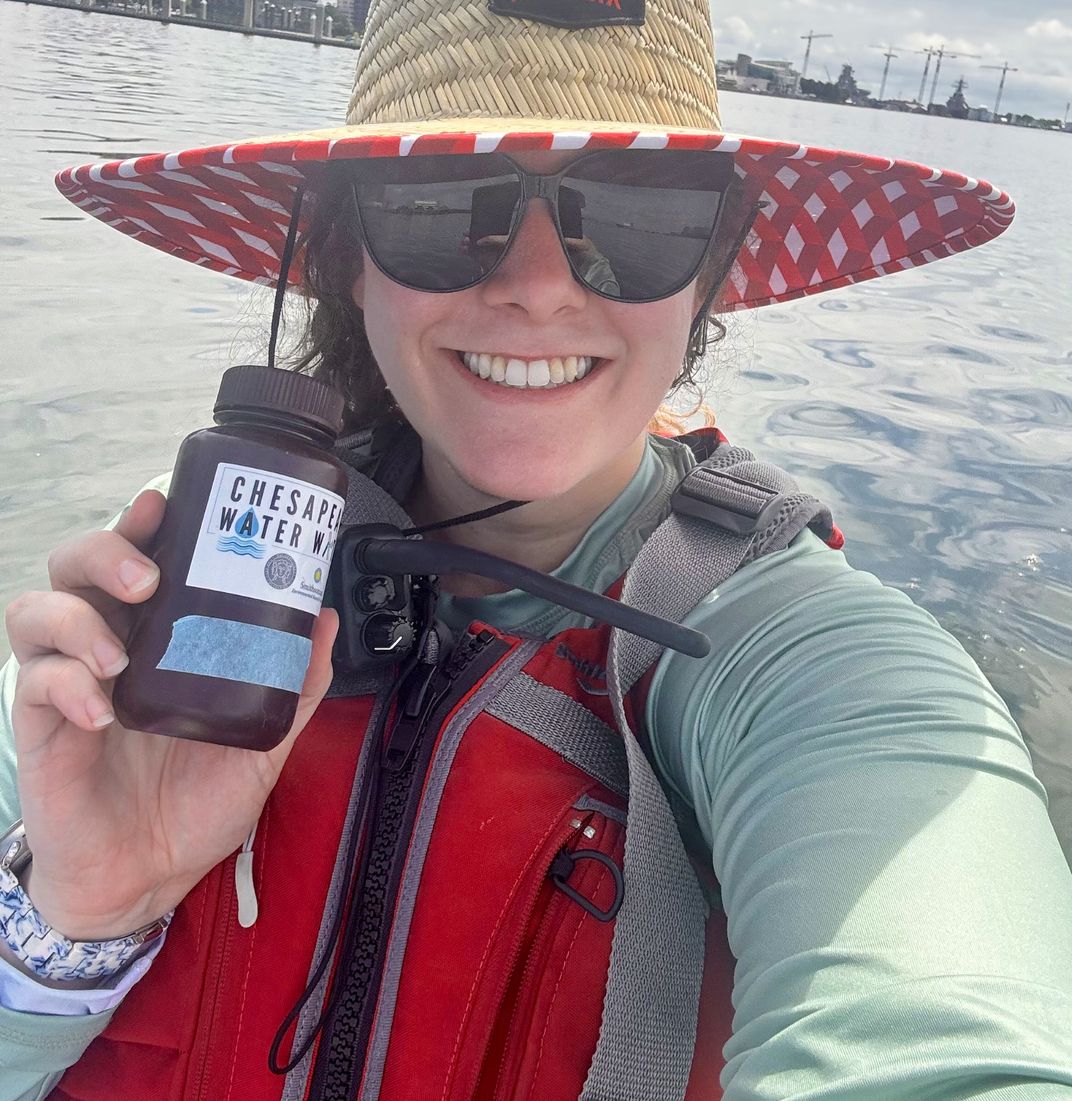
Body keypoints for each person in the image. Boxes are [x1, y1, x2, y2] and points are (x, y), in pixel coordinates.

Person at [3, 0, 1072, 1098]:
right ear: (346, 258)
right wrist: (72, 920)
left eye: (641, 216)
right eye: (437, 204)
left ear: (709, 274)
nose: (534, 285)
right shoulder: (175, 596)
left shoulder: (808, 669)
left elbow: (953, 1044)